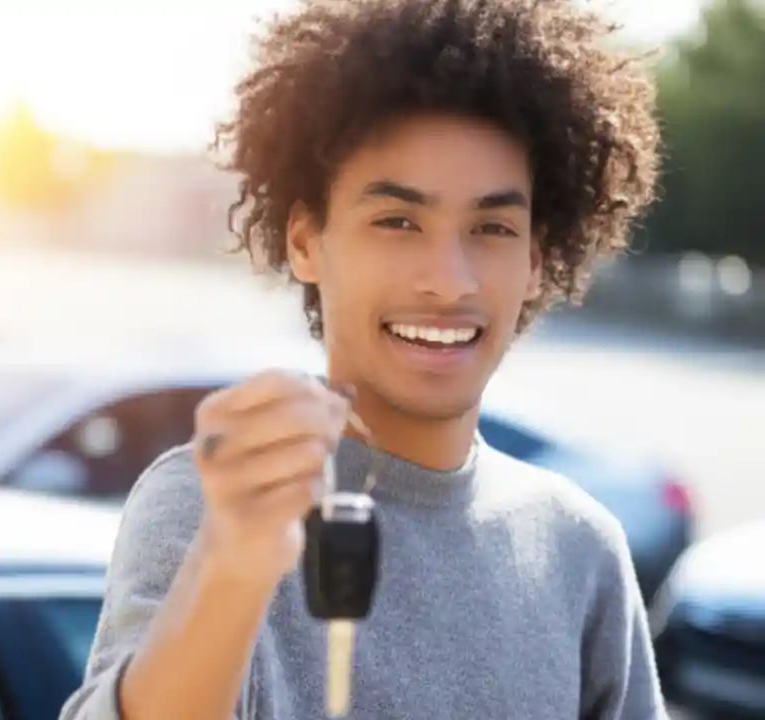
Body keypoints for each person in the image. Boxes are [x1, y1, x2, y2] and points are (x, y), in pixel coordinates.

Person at [60, 0, 664, 718]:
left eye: (492, 227)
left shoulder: (579, 548)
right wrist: (232, 565)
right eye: (397, 221)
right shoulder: (209, 507)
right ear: (305, 241)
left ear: (536, 262)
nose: (449, 279)